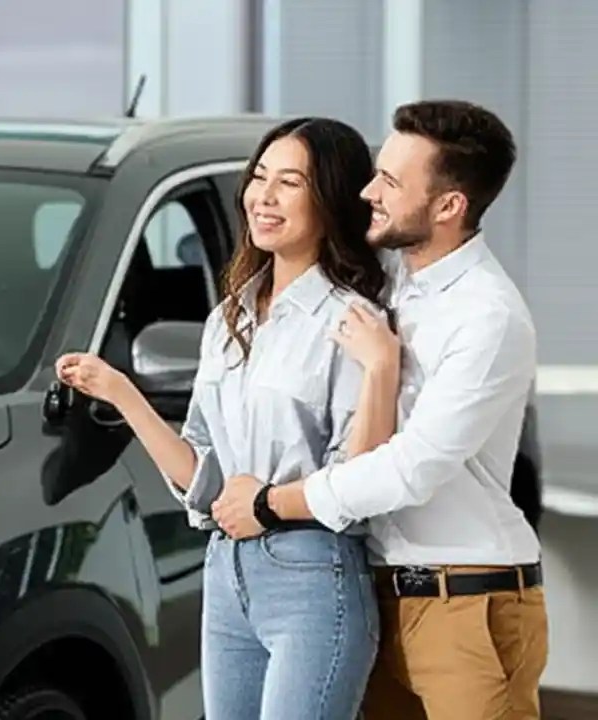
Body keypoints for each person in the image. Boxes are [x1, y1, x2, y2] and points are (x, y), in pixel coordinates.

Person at [211, 99, 548, 720]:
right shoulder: (388, 280)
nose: (369, 192)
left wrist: (269, 503)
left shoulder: (488, 317)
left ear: (449, 207)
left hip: (462, 600)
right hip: (376, 591)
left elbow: (410, 468)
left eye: (390, 182)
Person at [55, 117, 400, 719]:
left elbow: (358, 482)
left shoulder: (350, 322)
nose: (264, 197)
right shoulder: (228, 318)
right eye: (260, 177)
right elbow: (203, 480)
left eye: (289, 183)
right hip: (226, 573)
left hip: (312, 578)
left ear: (330, 200)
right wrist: (121, 393)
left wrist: (265, 501)